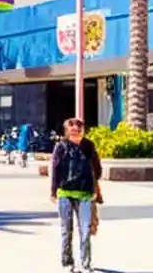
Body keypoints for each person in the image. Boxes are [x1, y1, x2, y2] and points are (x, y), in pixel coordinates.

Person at [48, 117, 102, 273]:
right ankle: (67, 262)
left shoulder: (89, 146)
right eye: (72, 131)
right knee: (67, 229)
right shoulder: (61, 147)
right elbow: (55, 169)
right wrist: (53, 191)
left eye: (79, 130)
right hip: (65, 193)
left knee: (85, 230)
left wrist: (93, 187)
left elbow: (97, 168)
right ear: (66, 132)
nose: (76, 133)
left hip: (85, 194)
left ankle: (85, 263)